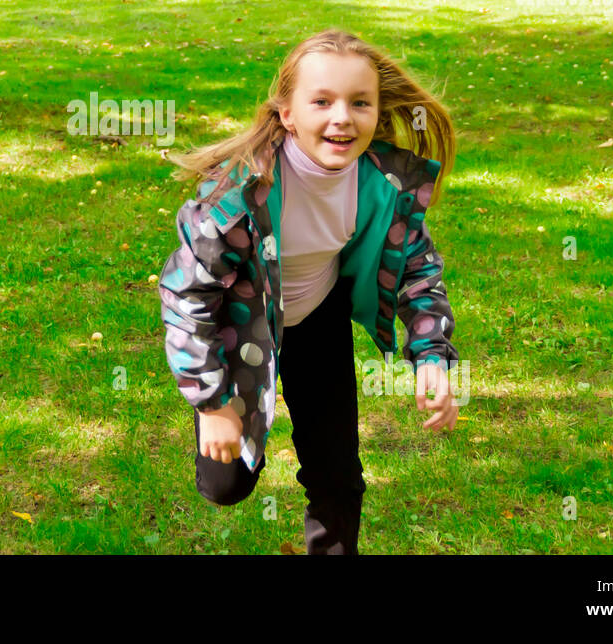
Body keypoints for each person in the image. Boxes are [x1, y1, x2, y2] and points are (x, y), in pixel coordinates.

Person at [159, 29, 461, 554]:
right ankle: (221, 423)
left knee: (337, 476)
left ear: (376, 112)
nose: (342, 117)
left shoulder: (382, 183)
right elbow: (188, 297)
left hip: (318, 318)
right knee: (226, 485)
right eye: (322, 101)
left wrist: (430, 353)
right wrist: (212, 404)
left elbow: (418, 271)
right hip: (241, 326)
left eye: (359, 103)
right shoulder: (238, 194)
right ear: (287, 114)